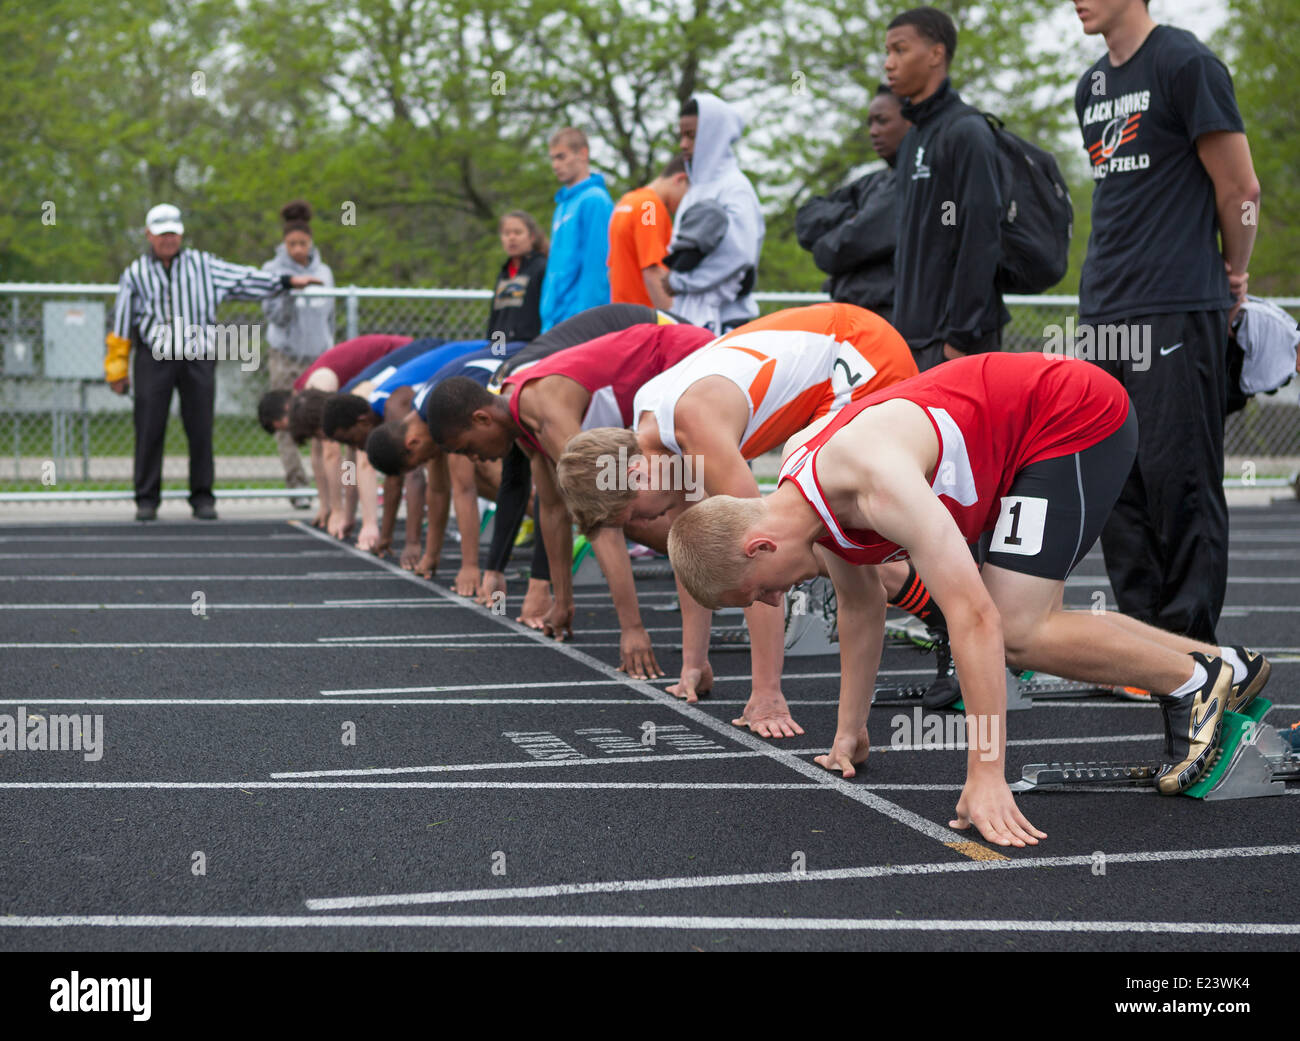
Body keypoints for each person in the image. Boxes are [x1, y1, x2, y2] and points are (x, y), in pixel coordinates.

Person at [666, 352, 1272, 846]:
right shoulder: (808, 507)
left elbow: (972, 616)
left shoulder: (871, 484)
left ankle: (1197, 684)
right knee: (1023, 614)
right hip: (1021, 436)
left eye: (761, 591)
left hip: (1070, 414)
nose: (773, 603)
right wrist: (849, 730)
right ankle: (1224, 668)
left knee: (1013, 624)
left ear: (760, 545)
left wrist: (986, 775)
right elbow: (859, 606)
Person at [557, 302, 931, 738]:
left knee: (842, 547)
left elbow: (755, 549)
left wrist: (767, 693)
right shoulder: (653, 433)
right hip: (835, 353)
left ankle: (960, 626)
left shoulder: (693, 425)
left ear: (636, 473)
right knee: (832, 546)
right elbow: (691, 549)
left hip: (861, 352)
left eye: (639, 515)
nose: (652, 520)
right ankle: (947, 617)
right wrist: (694, 661)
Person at [1072, 0, 1260, 646]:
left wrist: (1236, 272)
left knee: (1179, 481)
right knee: (1113, 487)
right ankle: (1146, 649)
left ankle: (1193, 655)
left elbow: (1241, 191)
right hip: (1102, 310)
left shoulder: (1185, 62)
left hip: (1176, 302)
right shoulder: (1089, 87)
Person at [423, 322, 715, 676]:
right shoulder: (522, 417)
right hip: (660, 383)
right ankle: (719, 572)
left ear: (482, 418)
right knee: (635, 511)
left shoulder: (545, 411)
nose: (474, 460)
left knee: (644, 510)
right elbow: (552, 509)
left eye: (467, 448)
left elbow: (600, 519)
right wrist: (561, 601)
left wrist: (633, 629)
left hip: (688, 360)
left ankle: (736, 572)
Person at [105, 203, 320, 522]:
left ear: (181, 235)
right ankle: (147, 499)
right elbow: (121, 322)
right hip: (154, 358)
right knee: (149, 427)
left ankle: (202, 496)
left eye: (173, 234)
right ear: (149, 235)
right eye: (162, 234)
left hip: (198, 357)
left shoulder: (203, 266)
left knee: (200, 427)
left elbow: (244, 279)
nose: (168, 240)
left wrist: (287, 282)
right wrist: (116, 369)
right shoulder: (135, 274)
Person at [885, 6, 1007, 370]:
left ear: (936, 54)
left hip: (955, 345)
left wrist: (960, 338)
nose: (888, 63)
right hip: (911, 341)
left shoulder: (967, 131)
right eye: (887, 52)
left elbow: (982, 235)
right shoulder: (911, 139)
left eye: (900, 50)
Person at [256, 333, 413, 541]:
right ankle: (355, 516)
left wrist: (342, 512)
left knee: (367, 450)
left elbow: (332, 455)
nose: (290, 431)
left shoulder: (318, 384)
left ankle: (373, 523)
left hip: (401, 355)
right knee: (353, 450)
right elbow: (320, 457)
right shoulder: (309, 402)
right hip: (374, 378)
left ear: (286, 409)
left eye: (286, 427)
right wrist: (327, 506)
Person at [795, 87, 911, 322]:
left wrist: (849, 229)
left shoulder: (915, 183)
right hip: (850, 316)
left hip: (889, 319)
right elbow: (805, 218)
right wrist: (855, 215)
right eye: (870, 123)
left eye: (882, 121)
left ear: (911, 122)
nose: (873, 132)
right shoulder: (872, 181)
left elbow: (842, 248)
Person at [663, 94, 764, 333]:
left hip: (725, 324)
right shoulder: (695, 189)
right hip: (690, 320)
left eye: (692, 136)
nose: (683, 145)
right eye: (682, 135)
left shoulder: (735, 188)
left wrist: (679, 282)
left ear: (714, 136)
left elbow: (739, 256)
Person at [262, 200, 335, 505]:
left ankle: (329, 488)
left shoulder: (325, 272)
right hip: (286, 356)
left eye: (302, 243)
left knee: (325, 422)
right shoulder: (272, 271)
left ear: (310, 242)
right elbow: (275, 316)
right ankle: (297, 486)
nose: (297, 249)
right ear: (284, 243)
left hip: (318, 356)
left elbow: (329, 315)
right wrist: (292, 291)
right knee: (287, 422)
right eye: (291, 243)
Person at [538, 128, 614, 331]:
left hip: (578, 323)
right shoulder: (562, 204)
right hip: (553, 321)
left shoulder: (595, 200)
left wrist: (585, 322)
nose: (555, 165)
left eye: (561, 157)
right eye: (553, 158)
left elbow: (597, 268)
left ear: (583, 154)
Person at [607, 156, 690, 310]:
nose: (687, 203)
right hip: (644, 318)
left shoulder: (626, 201)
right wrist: (673, 320)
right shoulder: (649, 206)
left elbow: (612, 271)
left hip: (621, 314)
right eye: (688, 194)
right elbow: (652, 270)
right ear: (680, 180)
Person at [486, 211, 547, 345]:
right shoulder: (505, 273)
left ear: (532, 237)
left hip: (527, 346)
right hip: (500, 346)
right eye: (506, 233)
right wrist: (495, 347)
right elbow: (497, 319)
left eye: (517, 233)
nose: (511, 238)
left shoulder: (541, 268)